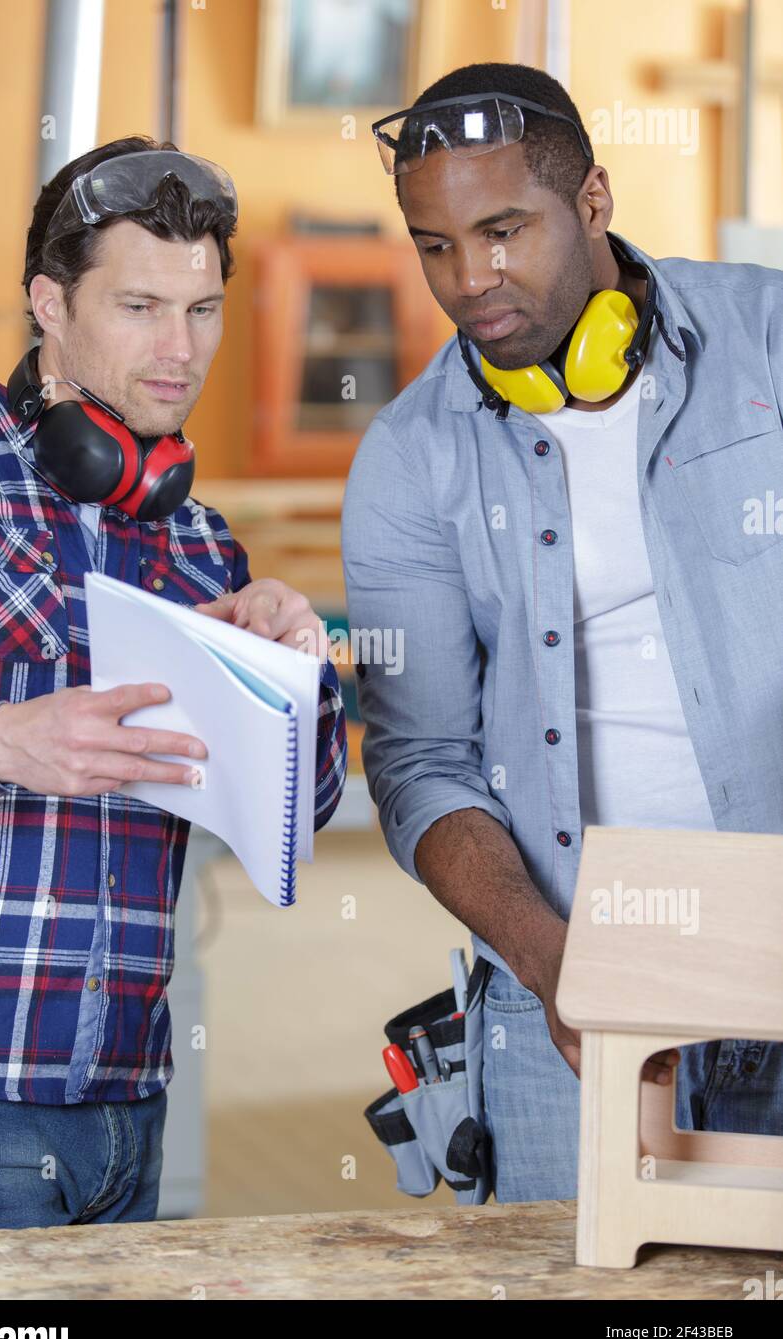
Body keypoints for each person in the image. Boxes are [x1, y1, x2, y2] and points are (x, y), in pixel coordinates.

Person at [342, 61, 783, 1203]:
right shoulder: (409, 452)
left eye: (501, 230)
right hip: (569, 997)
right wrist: (551, 962)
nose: (468, 280)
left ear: (591, 200)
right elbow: (419, 759)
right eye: (433, 244)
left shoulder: (768, 345)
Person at [0, 135, 347, 1233]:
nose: (181, 348)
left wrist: (298, 674)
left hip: (129, 1112)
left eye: (201, 311)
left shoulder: (199, 539)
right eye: (141, 307)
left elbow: (300, 812)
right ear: (49, 304)